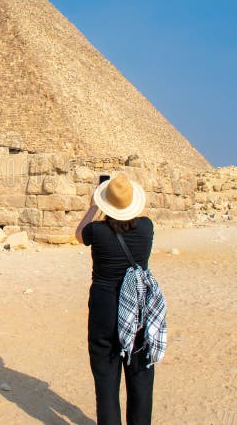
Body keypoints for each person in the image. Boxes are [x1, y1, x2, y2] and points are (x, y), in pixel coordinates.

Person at [75, 174, 156, 425]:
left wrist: (93, 206)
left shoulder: (96, 231)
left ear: (107, 204)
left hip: (105, 307)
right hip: (138, 305)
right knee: (140, 374)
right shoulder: (146, 227)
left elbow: (79, 234)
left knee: (107, 377)